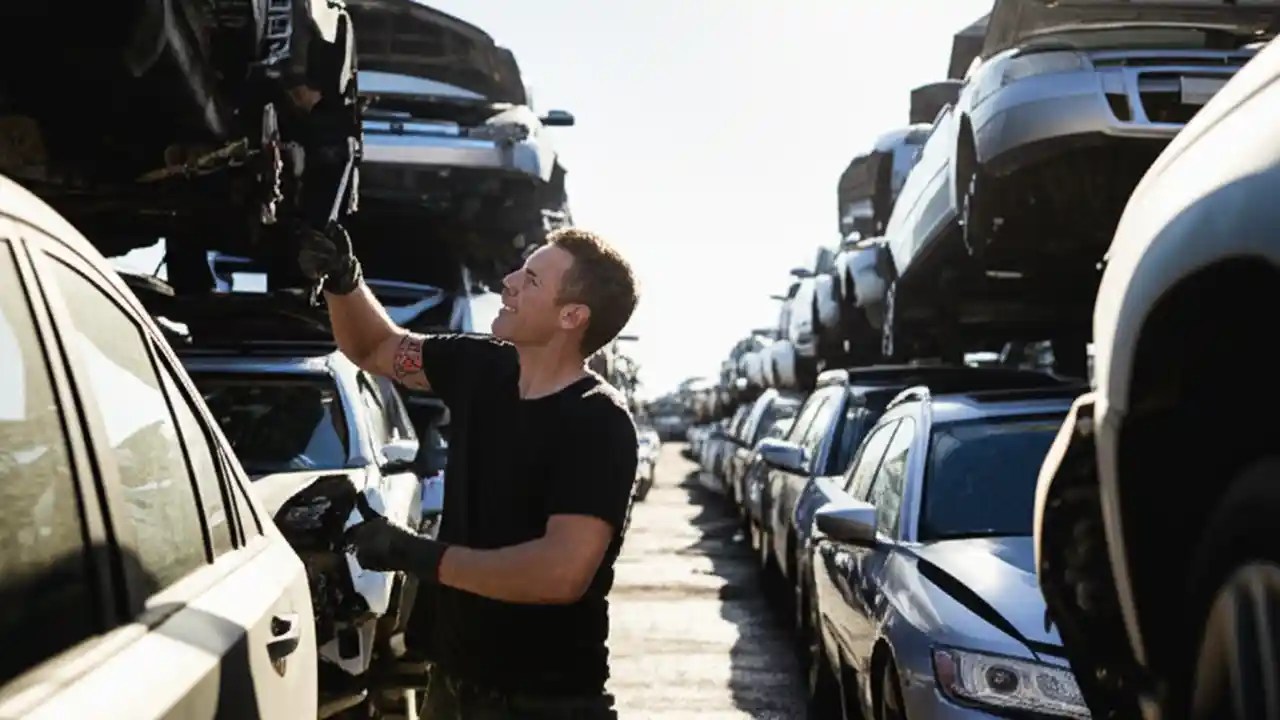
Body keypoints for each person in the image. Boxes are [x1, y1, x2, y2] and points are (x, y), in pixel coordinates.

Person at [298, 223, 640, 719]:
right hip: (452, 686)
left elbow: (559, 574)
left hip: (543, 703)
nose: (509, 283)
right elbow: (374, 348)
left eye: (533, 281)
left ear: (572, 315)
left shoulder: (598, 421)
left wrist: (413, 552)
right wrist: (343, 281)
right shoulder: (482, 366)